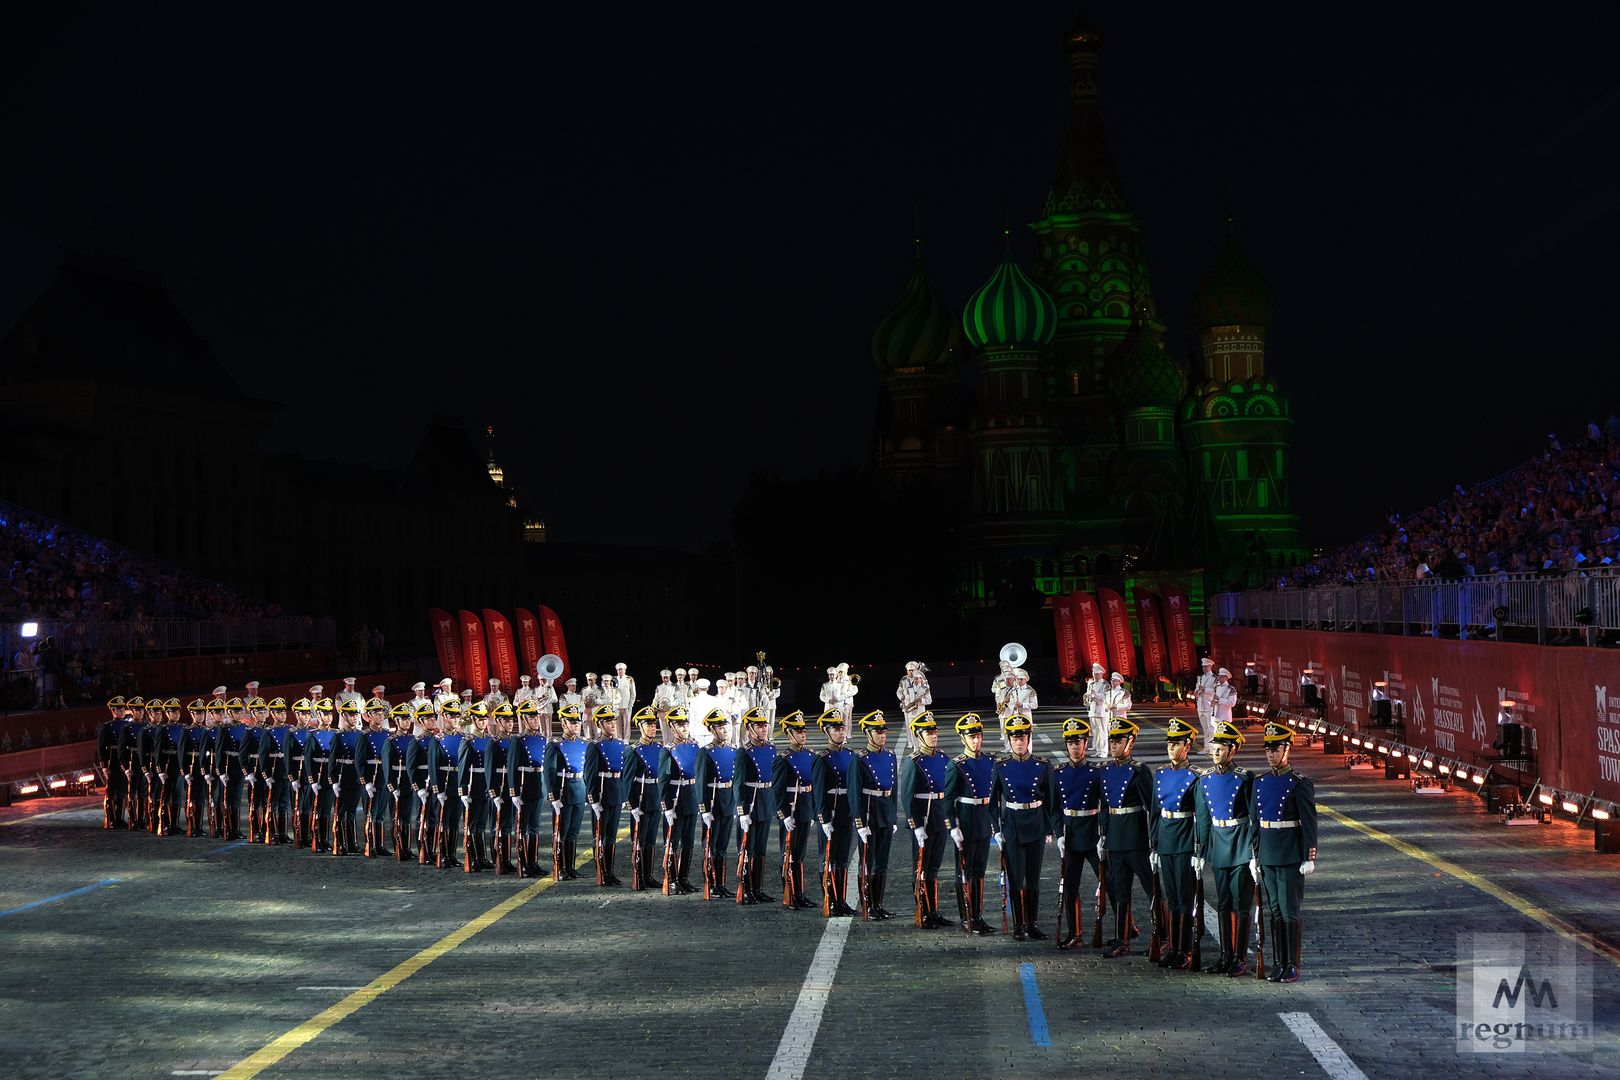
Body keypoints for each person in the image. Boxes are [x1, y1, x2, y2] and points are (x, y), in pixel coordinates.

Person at [1251, 721, 1317, 983]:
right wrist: (1253, 855)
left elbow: (1309, 823)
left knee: (1290, 911)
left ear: (1287, 750)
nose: (1271, 755)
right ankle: (1278, 962)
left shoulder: (1299, 783)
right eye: (1268, 750)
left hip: (1290, 854)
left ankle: (1292, 964)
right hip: (1268, 853)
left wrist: (1308, 856)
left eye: (1275, 750)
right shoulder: (1260, 782)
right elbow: (1255, 823)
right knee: (1275, 910)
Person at [1194, 719, 1256, 976]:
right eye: (1214, 747)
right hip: (1219, 844)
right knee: (1223, 902)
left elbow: (1254, 817)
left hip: (1240, 843)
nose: (1216, 752)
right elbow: (1204, 818)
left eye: (1221, 748)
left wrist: (1255, 853)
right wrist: (1200, 851)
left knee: (1241, 903)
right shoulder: (1205, 779)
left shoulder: (1245, 778)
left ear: (1233, 751)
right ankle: (1225, 955)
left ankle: (1239, 957)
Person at [990, 715, 1053, 941]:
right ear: (1009, 740)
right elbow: (992, 801)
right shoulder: (1001, 766)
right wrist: (996, 829)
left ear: (1028, 738)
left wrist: (1049, 829)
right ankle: (1019, 924)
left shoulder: (1042, 765)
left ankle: (1032, 923)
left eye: (1023, 737)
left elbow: (1051, 801)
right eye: (1015, 738)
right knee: (1016, 878)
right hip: (1013, 825)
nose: (1019, 742)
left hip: (1035, 822)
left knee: (1033, 877)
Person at [1099, 718, 1154, 959]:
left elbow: (1152, 808)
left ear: (1130, 743)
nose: (1113, 745)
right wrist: (1103, 834)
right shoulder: (1107, 770)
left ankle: (1163, 935)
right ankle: (1122, 938)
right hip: (1115, 839)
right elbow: (1104, 806)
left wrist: (1154, 841)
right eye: (1112, 740)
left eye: (1118, 741)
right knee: (1120, 890)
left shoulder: (1139, 771)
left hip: (1136, 838)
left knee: (1152, 889)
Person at [1151, 717, 1202, 970]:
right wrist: (1154, 844)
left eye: (1177, 744)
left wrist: (1198, 848)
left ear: (1187, 747)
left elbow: (1201, 817)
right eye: (1169, 744)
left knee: (1184, 898)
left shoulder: (1195, 777)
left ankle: (1185, 948)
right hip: (1166, 840)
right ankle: (1173, 947)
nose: (1171, 749)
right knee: (1171, 898)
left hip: (1184, 840)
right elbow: (1154, 812)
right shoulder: (1159, 774)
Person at [1050, 717, 1105, 950]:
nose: (1075, 746)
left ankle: (1126, 927)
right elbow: (1053, 808)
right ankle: (1076, 933)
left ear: (1086, 743)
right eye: (1071, 742)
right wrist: (1058, 834)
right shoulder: (1058, 773)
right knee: (1071, 887)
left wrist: (1104, 834)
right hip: (1071, 833)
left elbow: (1106, 806)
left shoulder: (1096, 772)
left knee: (1109, 882)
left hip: (1092, 833)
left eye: (1079, 742)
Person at [944, 712, 997, 934]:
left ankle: (978, 915)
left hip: (984, 821)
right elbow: (947, 798)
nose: (976, 740)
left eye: (978, 736)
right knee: (965, 872)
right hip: (966, 822)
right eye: (971, 737)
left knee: (979, 871)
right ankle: (967, 917)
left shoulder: (990, 761)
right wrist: (952, 826)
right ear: (963, 739)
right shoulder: (956, 765)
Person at [899, 710, 952, 928]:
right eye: (928, 733)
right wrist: (916, 825)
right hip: (924, 818)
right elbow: (907, 796)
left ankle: (934, 909)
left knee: (934, 868)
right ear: (918, 736)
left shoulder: (943, 758)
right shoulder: (914, 762)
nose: (933, 735)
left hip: (939, 816)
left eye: (934, 731)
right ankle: (923, 910)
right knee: (921, 867)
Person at [848, 710, 897, 920]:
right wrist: (859, 823)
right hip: (869, 813)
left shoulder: (890, 755)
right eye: (877, 732)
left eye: (883, 732)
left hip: (885, 811)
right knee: (868, 862)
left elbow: (894, 788)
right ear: (868, 734)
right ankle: (868, 905)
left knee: (882, 862)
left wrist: (893, 817)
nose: (882, 735)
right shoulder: (860, 759)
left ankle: (879, 904)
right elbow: (853, 793)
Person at [814, 709, 857, 917]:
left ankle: (841, 900)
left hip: (846, 812)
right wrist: (823, 819)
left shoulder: (850, 755)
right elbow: (819, 791)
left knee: (842, 858)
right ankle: (830, 900)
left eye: (842, 729)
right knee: (828, 858)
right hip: (830, 812)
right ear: (826, 732)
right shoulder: (822, 758)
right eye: (836, 730)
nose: (841, 733)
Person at [734, 707, 779, 904]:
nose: (763, 729)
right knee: (746, 848)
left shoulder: (771, 748)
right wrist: (742, 811)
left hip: (765, 800)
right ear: (749, 729)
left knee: (760, 849)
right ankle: (746, 889)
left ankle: (758, 888)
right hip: (751, 803)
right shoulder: (744, 753)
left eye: (764, 725)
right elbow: (738, 784)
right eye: (759, 726)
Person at [773, 710, 816, 910]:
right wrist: (783, 815)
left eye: (803, 731)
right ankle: (789, 894)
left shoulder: (810, 755)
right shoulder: (783, 759)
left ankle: (800, 893)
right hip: (791, 811)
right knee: (788, 854)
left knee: (799, 855)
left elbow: (813, 786)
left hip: (805, 808)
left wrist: (814, 811)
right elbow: (777, 791)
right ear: (789, 734)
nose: (803, 735)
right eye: (798, 732)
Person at [694, 707, 739, 899]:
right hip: (713, 802)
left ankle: (721, 883)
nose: (725, 731)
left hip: (728, 801)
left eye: (725, 727)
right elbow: (701, 782)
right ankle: (710, 883)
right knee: (710, 845)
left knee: (722, 846)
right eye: (720, 728)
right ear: (712, 730)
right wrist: (703, 809)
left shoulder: (733, 751)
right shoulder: (706, 753)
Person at [658, 707, 702, 895]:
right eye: (680, 725)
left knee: (688, 841)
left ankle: (684, 878)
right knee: (672, 842)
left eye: (685, 724)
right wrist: (667, 807)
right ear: (672, 728)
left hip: (691, 797)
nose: (684, 728)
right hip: (676, 800)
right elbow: (663, 781)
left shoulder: (694, 747)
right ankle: (672, 879)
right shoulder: (668, 751)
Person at [583, 704, 627, 886]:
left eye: (613, 721)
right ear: (600, 725)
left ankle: (610, 871)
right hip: (602, 794)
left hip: (615, 792)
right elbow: (590, 774)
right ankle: (601, 871)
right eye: (608, 722)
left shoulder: (620, 745)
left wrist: (623, 795)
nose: (612, 725)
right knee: (600, 835)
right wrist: (593, 799)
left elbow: (623, 772)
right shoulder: (595, 746)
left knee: (611, 835)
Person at [545, 703, 590, 880]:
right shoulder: (555, 745)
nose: (575, 726)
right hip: (563, 792)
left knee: (573, 832)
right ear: (563, 724)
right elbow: (549, 773)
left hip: (579, 789)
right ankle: (560, 867)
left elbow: (585, 769)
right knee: (561, 832)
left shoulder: (583, 744)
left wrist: (586, 793)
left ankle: (570, 867)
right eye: (572, 723)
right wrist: (553, 796)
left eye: (577, 723)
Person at [622, 706, 666, 890]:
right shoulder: (633, 750)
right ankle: (638, 875)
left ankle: (648, 875)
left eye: (654, 724)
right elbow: (627, 779)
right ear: (640, 727)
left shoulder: (659, 748)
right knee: (639, 839)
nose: (652, 728)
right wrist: (632, 804)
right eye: (648, 725)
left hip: (655, 798)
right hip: (641, 798)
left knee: (650, 840)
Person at [508, 699, 549, 877]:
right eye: (531, 718)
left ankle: (533, 862)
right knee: (522, 827)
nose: (535, 720)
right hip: (524, 786)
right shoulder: (518, 741)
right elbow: (511, 768)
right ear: (524, 720)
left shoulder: (541, 739)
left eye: (536, 717)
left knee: (535, 827)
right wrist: (514, 792)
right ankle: (523, 862)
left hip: (537, 784)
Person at [897, 661, 932, 752]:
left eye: (912, 670)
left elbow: (928, 697)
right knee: (909, 726)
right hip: (908, 706)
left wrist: (920, 700)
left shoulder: (923, 680)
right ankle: (911, 743)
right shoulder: (904, 679)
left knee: (921, 728)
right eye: (909, 670)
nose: (911, 672)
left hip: (919, 709)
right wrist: (903, 698)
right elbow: (900, 691)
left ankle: (921, 744)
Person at [1084, 664, 1111, 762]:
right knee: (1096, 731)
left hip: (1102, 710)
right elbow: (1089, 694)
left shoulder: (1106, 685)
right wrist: (1087, 698)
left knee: (1102, 732)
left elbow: (1106, 697)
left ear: (1101, 674)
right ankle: (1099, 750)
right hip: (1092, 709)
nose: (1094, 676)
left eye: (1096, 674)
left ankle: (1104, 751)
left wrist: (1096, 695)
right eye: (1093, 674)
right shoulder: (1091, 684)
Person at [1194, 657, 1218, 747]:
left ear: (1210, 667)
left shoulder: (1214, 678)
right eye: (1203, 667)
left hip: (1209, 706)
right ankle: (1206, 747)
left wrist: (1205, 689)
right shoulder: (1200, 677)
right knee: (1205, 729)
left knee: (1211, 728)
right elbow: (1197, 687)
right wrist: (1196, 691)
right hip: (1200, 705)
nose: (1204, 668)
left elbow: (1216, 690)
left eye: (1206, 667)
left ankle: (1213, 748)